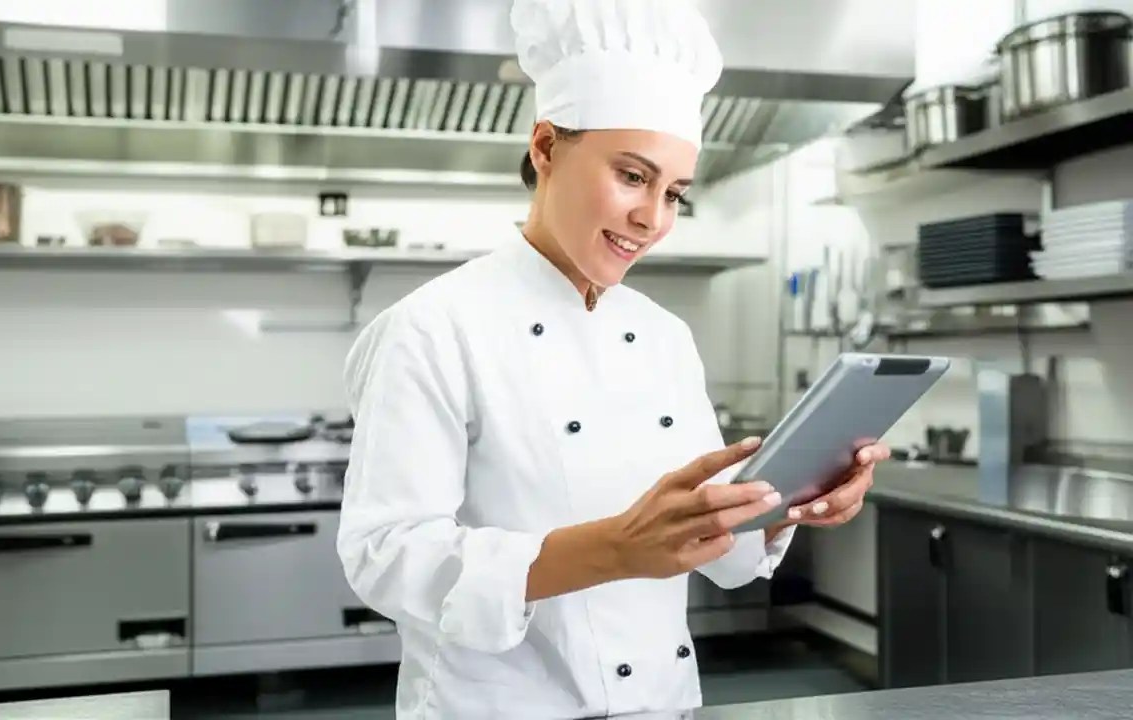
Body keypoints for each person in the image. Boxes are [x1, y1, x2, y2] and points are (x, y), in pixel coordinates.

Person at [337, 0, 888, 717]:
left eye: (674, 194)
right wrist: (613, 550)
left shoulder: (664, 336)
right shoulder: (432, 328)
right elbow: (386, 555)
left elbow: (713, 550)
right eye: (632, 176)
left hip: (664, 703)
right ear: (545, 148)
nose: (652, 218)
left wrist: (787, 502)